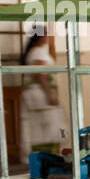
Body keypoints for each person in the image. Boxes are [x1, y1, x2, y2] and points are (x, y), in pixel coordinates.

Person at [19, 26, 68, 168]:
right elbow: (41, 75)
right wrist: (50, 94)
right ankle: (48, 161)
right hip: (41, 95)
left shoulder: (34, 52)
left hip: (36, 95)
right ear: (39, 36)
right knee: (49, 127)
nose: (47, 36)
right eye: (45, 34)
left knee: (41, 128)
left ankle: (44, 160)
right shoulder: (38, 53)